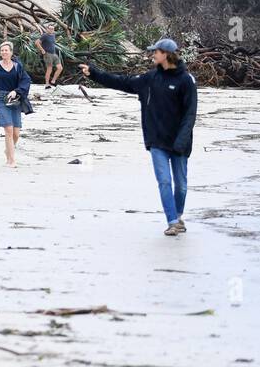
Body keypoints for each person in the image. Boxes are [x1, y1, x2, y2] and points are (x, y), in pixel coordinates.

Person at [79, 38, 198, 236]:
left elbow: (190, 114)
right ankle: (172, 221)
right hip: (157, 141)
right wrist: (94, 73)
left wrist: (181, 141)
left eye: (155, 52)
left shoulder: (186, 80)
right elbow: (121, 81)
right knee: (165, 182)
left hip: (179, 143)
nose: (152, 54)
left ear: (166, 54)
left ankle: (178, 215)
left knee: (182, 186)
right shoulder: (149, 79)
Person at [37, 22, 64, 89]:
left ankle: (53, 81)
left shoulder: (53, 35)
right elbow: (37, 42)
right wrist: (42, 50)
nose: (51, 30)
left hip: (54, 54)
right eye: (50, 29)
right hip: (48, 54)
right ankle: (47, 84)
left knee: (60, 68)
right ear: (47, 29)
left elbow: (52, 43)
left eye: (53, 29)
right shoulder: (44, 35)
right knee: (49, 69)